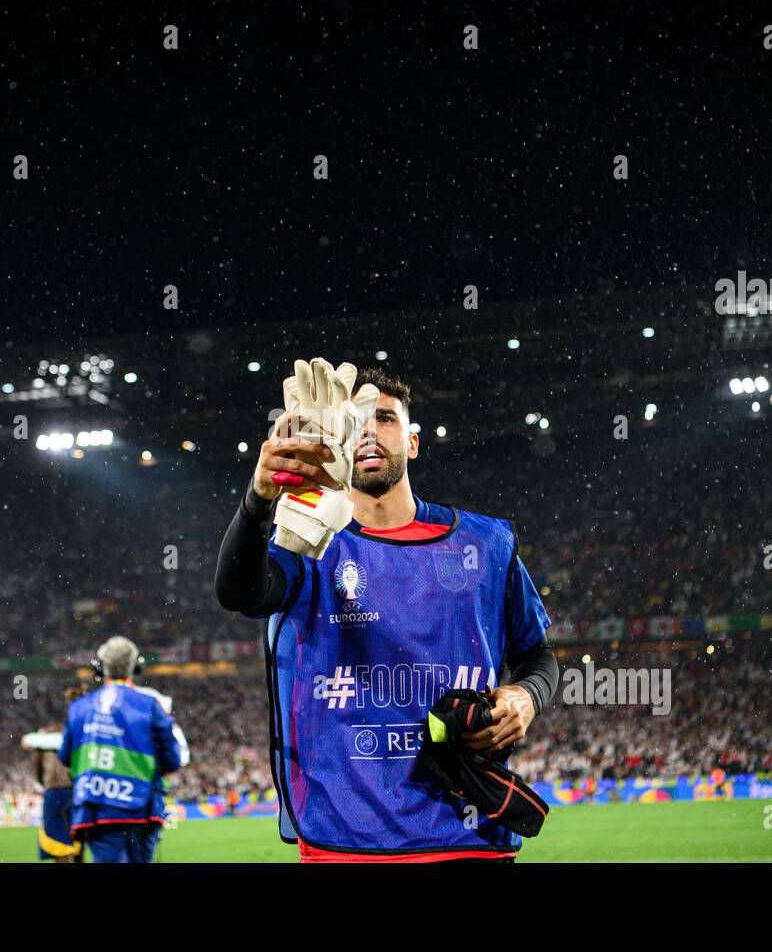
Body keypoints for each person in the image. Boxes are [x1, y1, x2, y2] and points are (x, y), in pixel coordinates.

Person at [215, 359, 561, 862]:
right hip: (343, 840)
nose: (370, 433)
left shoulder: (485, 543)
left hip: (466, 836)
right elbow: (238, 593)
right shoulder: (308, 540)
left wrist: (526, 698)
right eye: (356, 422)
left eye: (386, 419)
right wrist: (259, 497)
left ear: (413, 442)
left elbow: (539, 655)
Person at [59, 637, 189, 863]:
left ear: (101, 667)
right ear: (135, 666)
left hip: (96, 808)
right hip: (142, 808)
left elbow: (65, 756)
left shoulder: (79, 708)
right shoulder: (149, 704)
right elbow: (173, 759)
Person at [24, 684, 86, 863]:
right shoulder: (85, 732)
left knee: (58, 844)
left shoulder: (44, 735)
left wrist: (44, 784)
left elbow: (36, 769)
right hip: (79, 790)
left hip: (55, 791)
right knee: (79, 840)